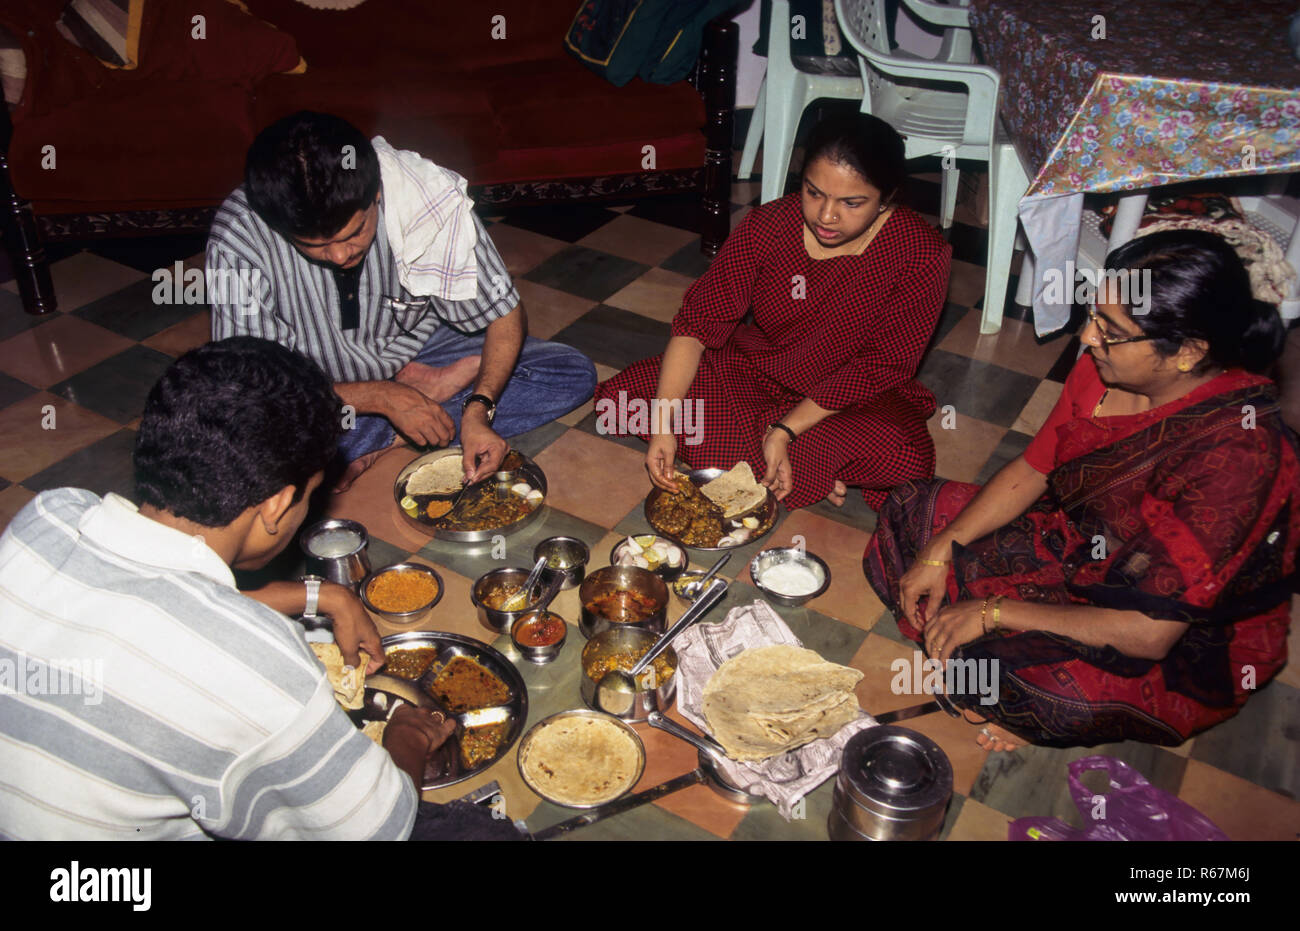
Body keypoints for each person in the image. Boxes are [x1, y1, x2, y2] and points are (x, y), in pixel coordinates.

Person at [0, 337, 520, 840]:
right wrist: (409, 737)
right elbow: (378, 828)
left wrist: (323, 595)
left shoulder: (52, 513)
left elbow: (154, 604)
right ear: (276, 506)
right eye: (311, 496)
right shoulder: (259, 666)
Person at [864, 230, 1298, 751]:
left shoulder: (1237, 457)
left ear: (1186, 352)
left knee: (1051, 696)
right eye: (1093, 316)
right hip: (1079, 544)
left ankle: (986, 658)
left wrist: (992, 612)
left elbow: (1150, 632)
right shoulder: (1099, 369)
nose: (1086, 338)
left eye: (1109, 330)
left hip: (1172, 624)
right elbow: (1033, 468)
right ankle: (971, 647)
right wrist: (936, 553)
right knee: (911, 507)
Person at [207, 111, 596, 492]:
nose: (341, 255)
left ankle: (403, 423)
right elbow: (251, 382)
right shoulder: (240, 237)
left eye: (354, 232)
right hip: (313, 382)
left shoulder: (422, 195)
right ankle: (404, 421)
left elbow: (504, 315)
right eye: (316, 246)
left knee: (569, 371)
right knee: (247, 442)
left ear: (377, 193)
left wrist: (479, 409)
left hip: (419, 350)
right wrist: (382, 396)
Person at [595, 113, 951, 509]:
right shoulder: (769, 225)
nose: (827, 215)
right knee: (630, 396)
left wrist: (784, 430)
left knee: (903, 453)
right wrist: (663, 428)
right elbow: (698, 325)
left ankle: (795, 456)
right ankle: (812, 467)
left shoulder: (919, 253)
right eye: (814, 193)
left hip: (850, 396)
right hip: (761, 371)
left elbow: (881, 365)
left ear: (887, 198)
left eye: (852, 203)